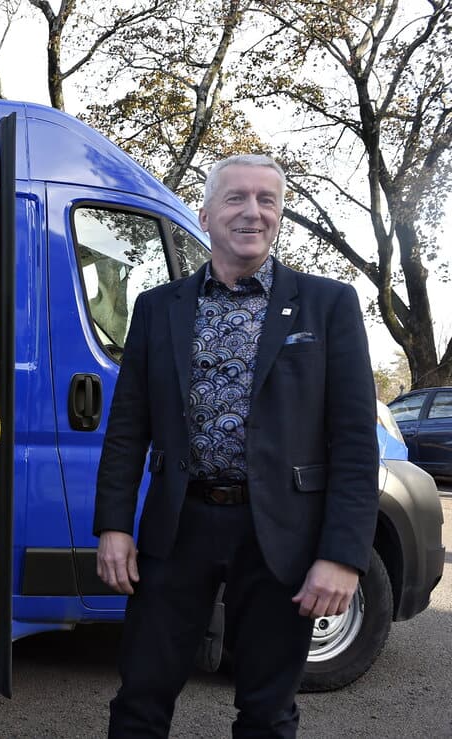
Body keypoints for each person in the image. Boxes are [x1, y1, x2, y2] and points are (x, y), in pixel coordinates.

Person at [93, 154, 379, 737]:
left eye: (267, 201)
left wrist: (343, 555)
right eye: (236, 199)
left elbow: (354, 442)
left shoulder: (328, 305)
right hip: (180, 527)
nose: (253, 212)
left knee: (267, 711)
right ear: (205, 214)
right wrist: (114, 526)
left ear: (279, 215)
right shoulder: (157, 307)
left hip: (282, 534)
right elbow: (128, 428)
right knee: (139, 701)